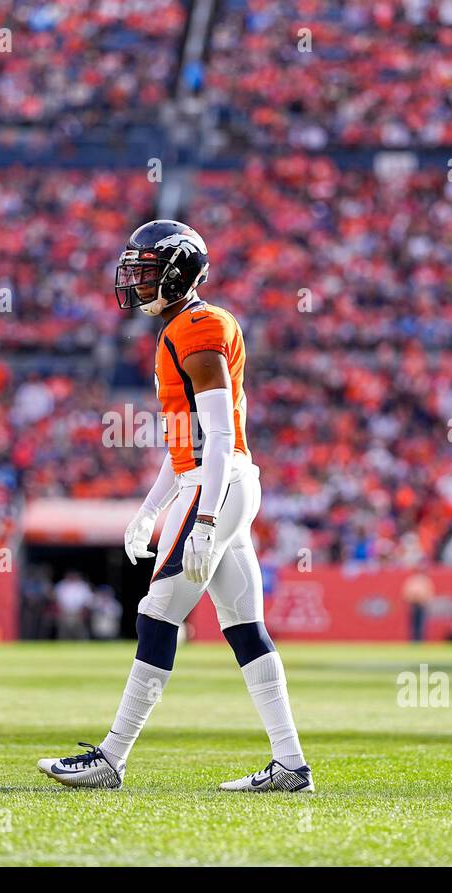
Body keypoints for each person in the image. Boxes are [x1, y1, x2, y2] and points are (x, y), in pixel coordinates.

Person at [38, 220, 312, 793]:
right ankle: (291, 766)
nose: (135, 283)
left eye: (145, 271)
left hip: (220, 484)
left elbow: (216, 436)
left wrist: (206, 519)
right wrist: (148, 510)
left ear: (179, 272)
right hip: (216, 481)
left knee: (156, 613)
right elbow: (185, 446)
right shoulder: (180, 329)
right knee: (245, 628)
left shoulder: (199, 327)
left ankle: (111, 758)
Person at [53, 572, 93, 641]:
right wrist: (60, 611)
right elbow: (55, 598)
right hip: (64, 613)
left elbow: (88, 600)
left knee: (80, 633)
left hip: (78, 613)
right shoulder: (61, 585)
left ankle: (82, 647)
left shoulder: (82, 586)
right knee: (64, 633)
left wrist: (83, 612)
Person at [403, 570, 434, 644]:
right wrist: (410, 599)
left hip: (422, 604)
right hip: (413, 604)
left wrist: (424, 601)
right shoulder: (412, 580)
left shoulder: (425, 580)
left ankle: (420, 640)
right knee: (413, 624)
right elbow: (406, 592)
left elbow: (429, 593)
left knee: (421, 624)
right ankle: (414, 640)